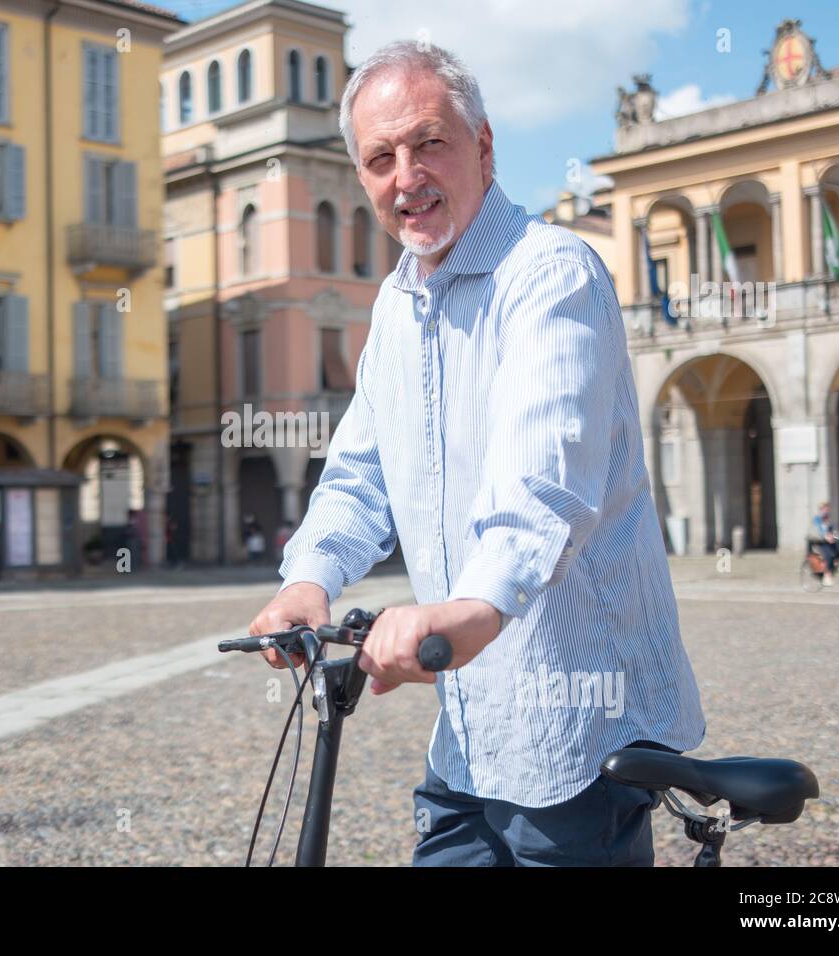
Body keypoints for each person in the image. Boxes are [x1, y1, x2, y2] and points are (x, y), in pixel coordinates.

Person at [246, 41, 704, 867]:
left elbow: (545, 482)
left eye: (429, 142)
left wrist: (475, 607)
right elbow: (360, 473)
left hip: (580, 730)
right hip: (469, 727)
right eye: (380, 158)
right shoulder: (395, 306)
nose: (406, 175)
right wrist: (306, 580)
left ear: (484, 147)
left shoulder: (551, 275)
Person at [812, 502, 839, 587]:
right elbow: (817, 531)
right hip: (819, 543)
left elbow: (832, 531)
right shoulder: (817, 519)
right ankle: (826, 576)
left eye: (827, 510)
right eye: (825, 510)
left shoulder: (828, 520)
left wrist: (834, 536)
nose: (827, 512)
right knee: (828, 555)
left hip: (828, 542)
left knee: (838, 548)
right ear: (821, 510)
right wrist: (826, 536)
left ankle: (834, 567)